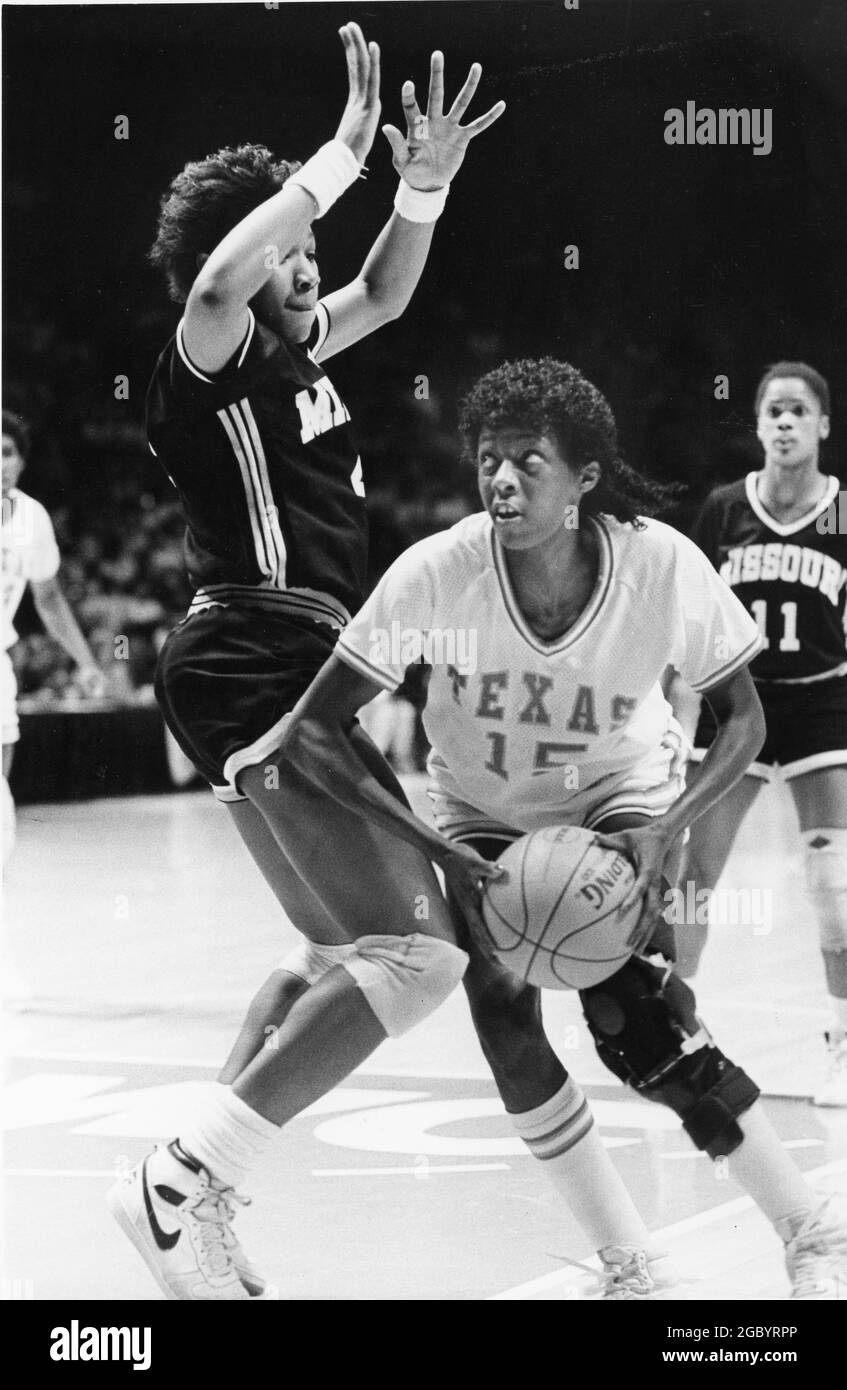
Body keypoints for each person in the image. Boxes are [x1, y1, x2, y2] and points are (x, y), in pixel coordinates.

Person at [278, 358, 847, 1300]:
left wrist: (666, 830)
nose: (499, 481)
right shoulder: (438, 570)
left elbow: (741, 719)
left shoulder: (660, 562)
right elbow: (314, 733)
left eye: (526, 463)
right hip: (477, 815)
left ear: (582, 478)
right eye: (487, 461)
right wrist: (429, 846)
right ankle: (631, 1263)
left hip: (615, 795)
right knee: (502, 1012)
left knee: (641, 1023)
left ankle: (807, 1230)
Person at [108, 22, 507, 1300]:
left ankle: (192, 1187)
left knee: (347, 956)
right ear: (254, 246)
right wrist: (337, 152)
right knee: (421, 956)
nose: (311, 262)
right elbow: (223, 280)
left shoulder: (292, 354)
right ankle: (177, 1172)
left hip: (292, 663)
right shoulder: (205, 355)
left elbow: (388, 294)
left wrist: (421, 181)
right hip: (259, 648)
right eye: (295, 243)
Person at [670, 362, 847, 1107]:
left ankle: (842, 1042)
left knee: (832, 882)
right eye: (771, 411)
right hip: (734, 707)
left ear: (821, 426)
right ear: (755, 424)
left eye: (797, 411)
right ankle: (674, 1033)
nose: (783, 422)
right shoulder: (721, 509)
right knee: (690, 883)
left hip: (818, 705)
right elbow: (686, 611)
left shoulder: (840, 512)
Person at [1, 410, 107, 863]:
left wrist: (86, 663)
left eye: (6, 453)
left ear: (21, 462)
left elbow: (49, 600)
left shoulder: (32, 518)